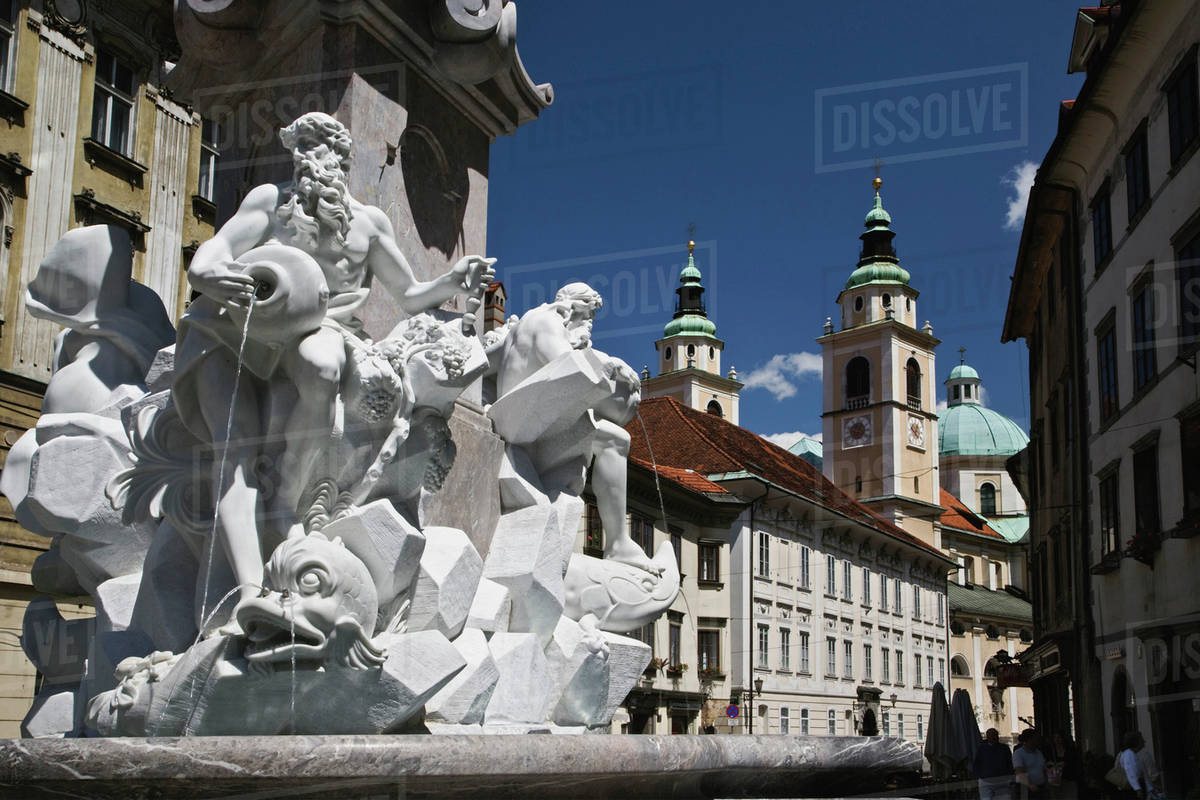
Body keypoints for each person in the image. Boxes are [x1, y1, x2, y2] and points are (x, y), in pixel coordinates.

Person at [175, 112, 495, 630]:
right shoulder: (270, 203)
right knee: (233, 453)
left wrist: (451, 280)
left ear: (346, 163)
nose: (317, 160)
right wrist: (206, 272)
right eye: (307, 148)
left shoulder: (368, 225)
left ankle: (286, 499)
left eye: (329, 151)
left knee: (322, 365)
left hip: (322, 330)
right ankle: (250, 586)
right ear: (295, 156)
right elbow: (214, 253)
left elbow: (409, 294)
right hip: (244, 332)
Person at [489, 282, 653, 572]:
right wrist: (612, 365)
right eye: (589, 317)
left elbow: (487, 362)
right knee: (617, 440)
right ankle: (617, 543)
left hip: (520, 416)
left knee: (608, 435)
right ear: (575, 308)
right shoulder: (548, 322)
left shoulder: (521, 325)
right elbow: (569, 368)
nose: (589, 325)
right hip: (523, 424)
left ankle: (618, 543)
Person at [973, 727, 1014, 800]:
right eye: (992, 735)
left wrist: (1009, 777)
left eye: (995, 735)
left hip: (1002, 780)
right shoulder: (981, 749)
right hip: (986, 780)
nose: (994, 737)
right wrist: (979, 776)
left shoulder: (1004, 748)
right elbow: (977, 764)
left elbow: (1010, 763)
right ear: (987, 737)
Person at [1013, 728, 1048, 798]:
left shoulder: (1039, 752)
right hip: (1025, 788)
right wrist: (1030, 785)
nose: (1038, 741)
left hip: (1040, 787)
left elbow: (1043, 768)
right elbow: (1019, 771)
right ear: (1029, 739)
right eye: (1036, 738)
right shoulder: (1018, 753)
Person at [1118, 731, 1149, 800]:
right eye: (1141, 740)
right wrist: (1137, 789)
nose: (1144, 741)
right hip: (1132, 788)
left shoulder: (1132, 753)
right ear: (1136, 742)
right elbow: (1130, 772)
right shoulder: (1129, 754)